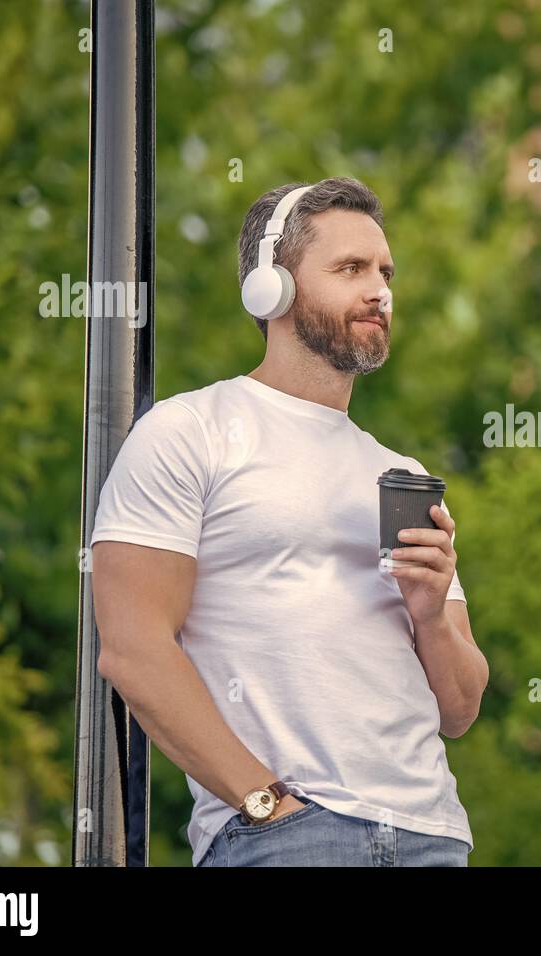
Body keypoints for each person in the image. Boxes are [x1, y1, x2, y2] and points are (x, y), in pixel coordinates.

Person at [89, 177, 487, 867]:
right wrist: (266, 805)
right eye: (351, 269)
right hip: (288, 835)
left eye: (385, 272)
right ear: (269, 287)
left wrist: (429, 612)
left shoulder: (401, 471)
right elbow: (133, 651)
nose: (380, 291)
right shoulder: (190, 431)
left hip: (433, 834)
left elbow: (459, 709)